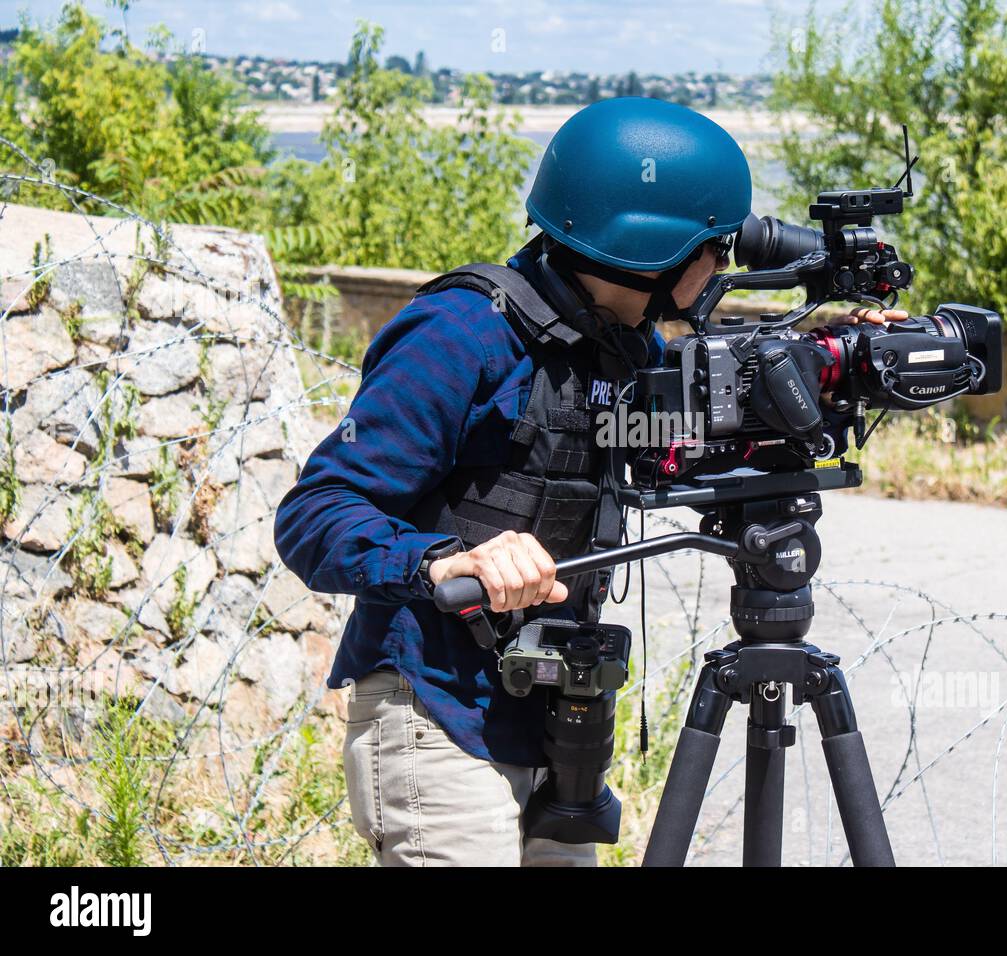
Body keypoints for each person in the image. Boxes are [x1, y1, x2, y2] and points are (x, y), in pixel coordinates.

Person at [273, 96, 903, 867]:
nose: (721, 268)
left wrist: (826, 365)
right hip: (440, 718)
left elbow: (687, 438)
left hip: (561, 724)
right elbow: (315, 513)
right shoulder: (463, 333)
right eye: (714, 246)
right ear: (656, 251)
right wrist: (446, 561)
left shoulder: (621, 349)